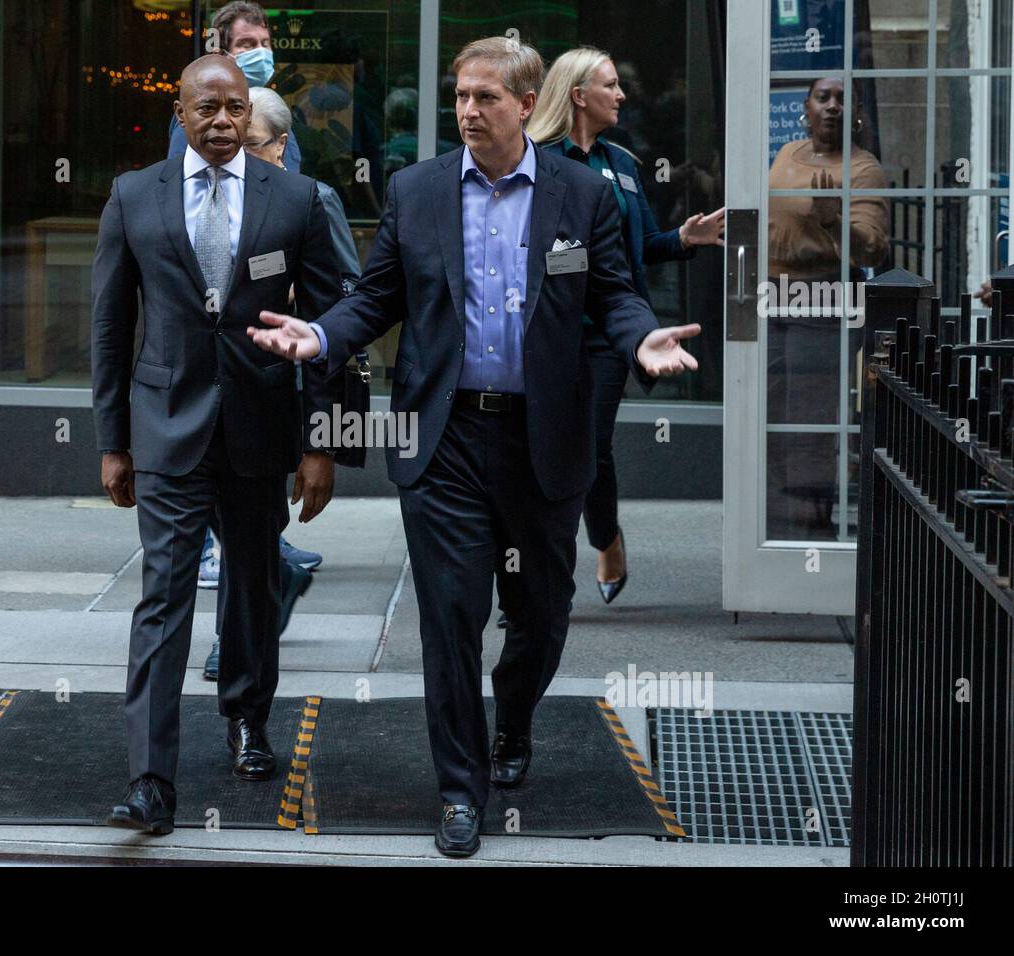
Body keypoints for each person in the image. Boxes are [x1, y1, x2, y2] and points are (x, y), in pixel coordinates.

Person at [247, 37, 700, 857]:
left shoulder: (580, 194)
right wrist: (319, 335)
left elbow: (616, 295)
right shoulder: (417, 191)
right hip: (446, 440)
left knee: (540, 615)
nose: (467, 110)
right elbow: (376, 296)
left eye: (486, 97)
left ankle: (513, 717)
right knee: (449, 618)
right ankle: (460, 792)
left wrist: (642, 343)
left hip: (542, 440)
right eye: (460, 96)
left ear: (527, 105)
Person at [92, 54, 342, 835]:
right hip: (165, 429)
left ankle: (246, 720)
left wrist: (322, 442)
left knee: (252, 587)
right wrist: (113, 441)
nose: (225, 122)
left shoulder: (296, 199)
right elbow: (108, 328)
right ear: (181, 114)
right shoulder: (134, 196)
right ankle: (149, 780)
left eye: (236, 108)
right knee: (163, 598)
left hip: (262, 431)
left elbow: (335, 327)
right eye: (209, 109)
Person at [525, 47, 723, 604]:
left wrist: (682, 240)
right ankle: (531, 574)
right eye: (610, 86)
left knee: (589, 446)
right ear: (579, 95)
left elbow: (630, 253)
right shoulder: (534, 160)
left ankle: (605, 538)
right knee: (536, 446)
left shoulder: (624, 166)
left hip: (608, 334)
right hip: (546, 330)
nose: (622, 95)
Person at [199, 86, 364, 682]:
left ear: (280, 145)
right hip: (211, 389)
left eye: (250, 143)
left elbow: (349, 298)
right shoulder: (204, 197)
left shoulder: (310, 201)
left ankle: (234, 641)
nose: (233, 152)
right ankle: (276, 579)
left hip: (284, 386)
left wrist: (298, 305)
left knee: (252, 521)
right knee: (235, 523)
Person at [766, 77, 887, 538]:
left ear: (855, 112)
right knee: (771, 417)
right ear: (807, 106)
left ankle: (811, 533)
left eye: (842, 100)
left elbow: (873, 250)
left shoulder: (862, 168)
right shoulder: (786, 155)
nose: (832, 107)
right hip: (769, 301)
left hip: (822, 303)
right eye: (823, 98)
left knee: (811, 425)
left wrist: (834, 219)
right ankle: (778, 524)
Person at [168, 2, 304, 174]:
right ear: (221, 52)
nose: (261, 52)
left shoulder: (271, 106)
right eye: (248, 45)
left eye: (265, 43)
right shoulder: (199, 115)